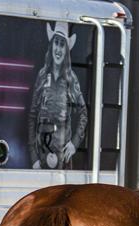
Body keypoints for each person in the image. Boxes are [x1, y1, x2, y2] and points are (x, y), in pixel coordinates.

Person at [31, 21, 88, 170]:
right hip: (42, 156)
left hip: (63, 160)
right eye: (56, 42)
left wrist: (74, 144)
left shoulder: (71, 79)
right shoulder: (42, 76)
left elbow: (83, 113)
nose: (58, 49)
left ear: (66, 50)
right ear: (51, 46)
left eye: (62, 44)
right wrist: (33, 157)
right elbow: (32, 115)